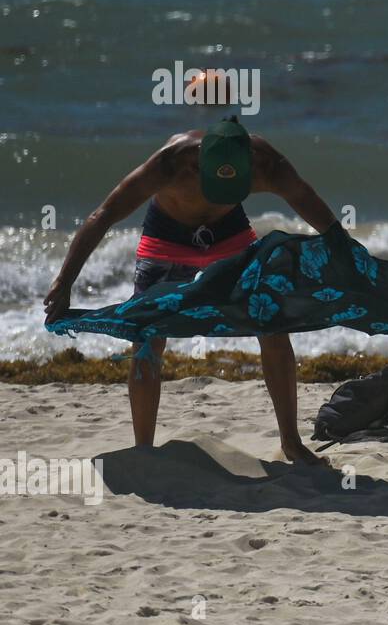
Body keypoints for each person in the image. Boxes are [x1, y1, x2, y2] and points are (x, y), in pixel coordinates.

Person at [43, 107, 338, 464]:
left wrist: (349, 253)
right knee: (148, 336)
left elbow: (307, 201)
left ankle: (291, 443)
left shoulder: (267, 164)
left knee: (272, 323)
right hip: (167, 237)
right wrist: (64, 281)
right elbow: (103, 215)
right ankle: (144, 450)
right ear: (197, 164)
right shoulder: (169, 163)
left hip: (229, 233)